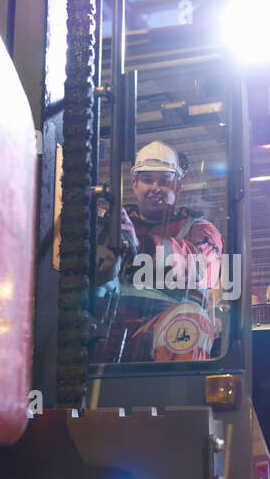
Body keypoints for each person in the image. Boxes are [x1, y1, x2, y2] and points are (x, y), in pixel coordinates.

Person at [94, 141, 224, 363]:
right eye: (147, 180)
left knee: (189, 322)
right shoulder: (112, 228)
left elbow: (202, 268)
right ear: (134, 184)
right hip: (111, 325)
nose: (155, 188)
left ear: (177, 187)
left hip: (163, 322)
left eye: (165, 182)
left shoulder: (199, 229)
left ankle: (181, 395)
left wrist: (143, 246)